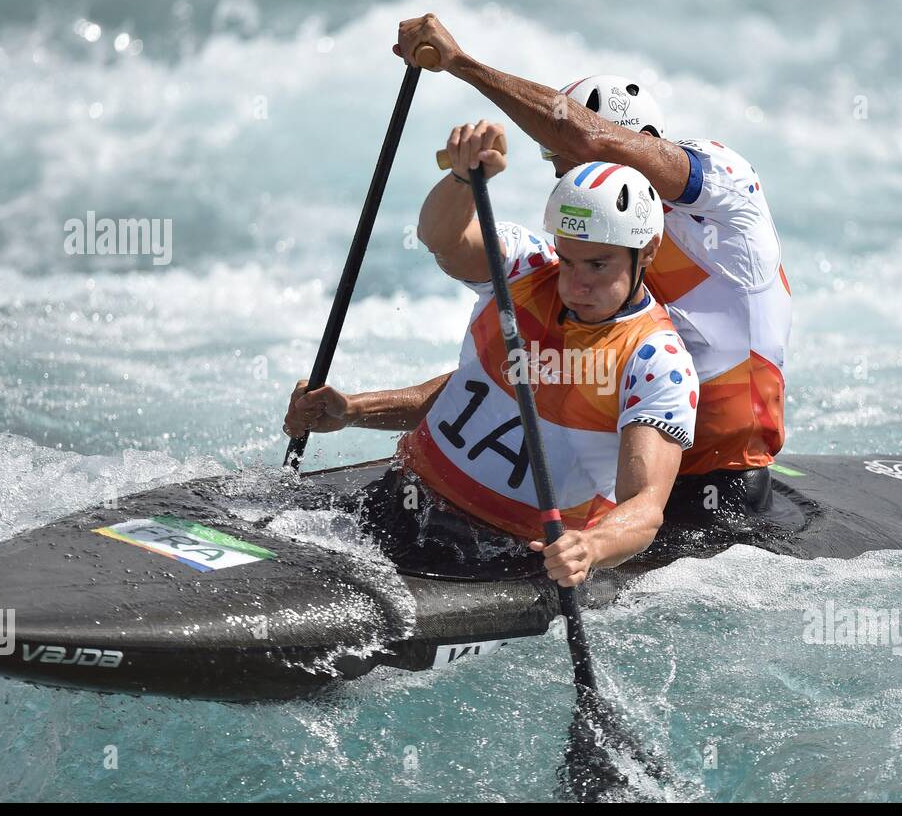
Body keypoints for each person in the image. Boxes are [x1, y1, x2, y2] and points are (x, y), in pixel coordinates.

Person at [392, 15, 792, 527]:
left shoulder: (723, 189)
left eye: (567, 164)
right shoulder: (587, 252)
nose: (572, 182)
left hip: (715, 488)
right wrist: (356, 410)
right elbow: (528, 369)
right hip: (608, 463)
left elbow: (590, 142)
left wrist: (460, 63)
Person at [283, 126, 699, 587]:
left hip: (498, 557)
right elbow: (444, 242)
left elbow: (643, 508)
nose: (575, 284)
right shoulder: (525, 268)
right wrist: (354, 410)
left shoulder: (656, 361)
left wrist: (591, 547)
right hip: (400, 499)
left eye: (598, 265)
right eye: (569, 259)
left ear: (647, 252)